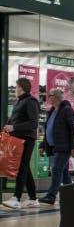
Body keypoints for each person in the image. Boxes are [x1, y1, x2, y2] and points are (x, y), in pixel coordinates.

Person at [2, 78, 40, 210]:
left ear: (22, 87)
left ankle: (16, 198)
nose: (15, 89)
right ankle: (33, 198)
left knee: (21, 166)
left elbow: (33, 123)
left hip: (27, 139)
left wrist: (14, 128)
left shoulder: (31, 101)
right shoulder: (19, 102)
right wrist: (7, 127)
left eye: (16, 86)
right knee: (25, 167)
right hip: (18, 139)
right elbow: (15, 119)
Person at [39, 88, 74, 205]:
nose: (48, 97)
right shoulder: (52, 111)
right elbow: (49, 131)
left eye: (50, 95)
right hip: (53, 147)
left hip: (63, 147)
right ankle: (71, 195)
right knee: (64, 172)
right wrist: (42, 145)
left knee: (56, 170)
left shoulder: (67, 110)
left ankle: (51, 196)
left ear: (55, 97)